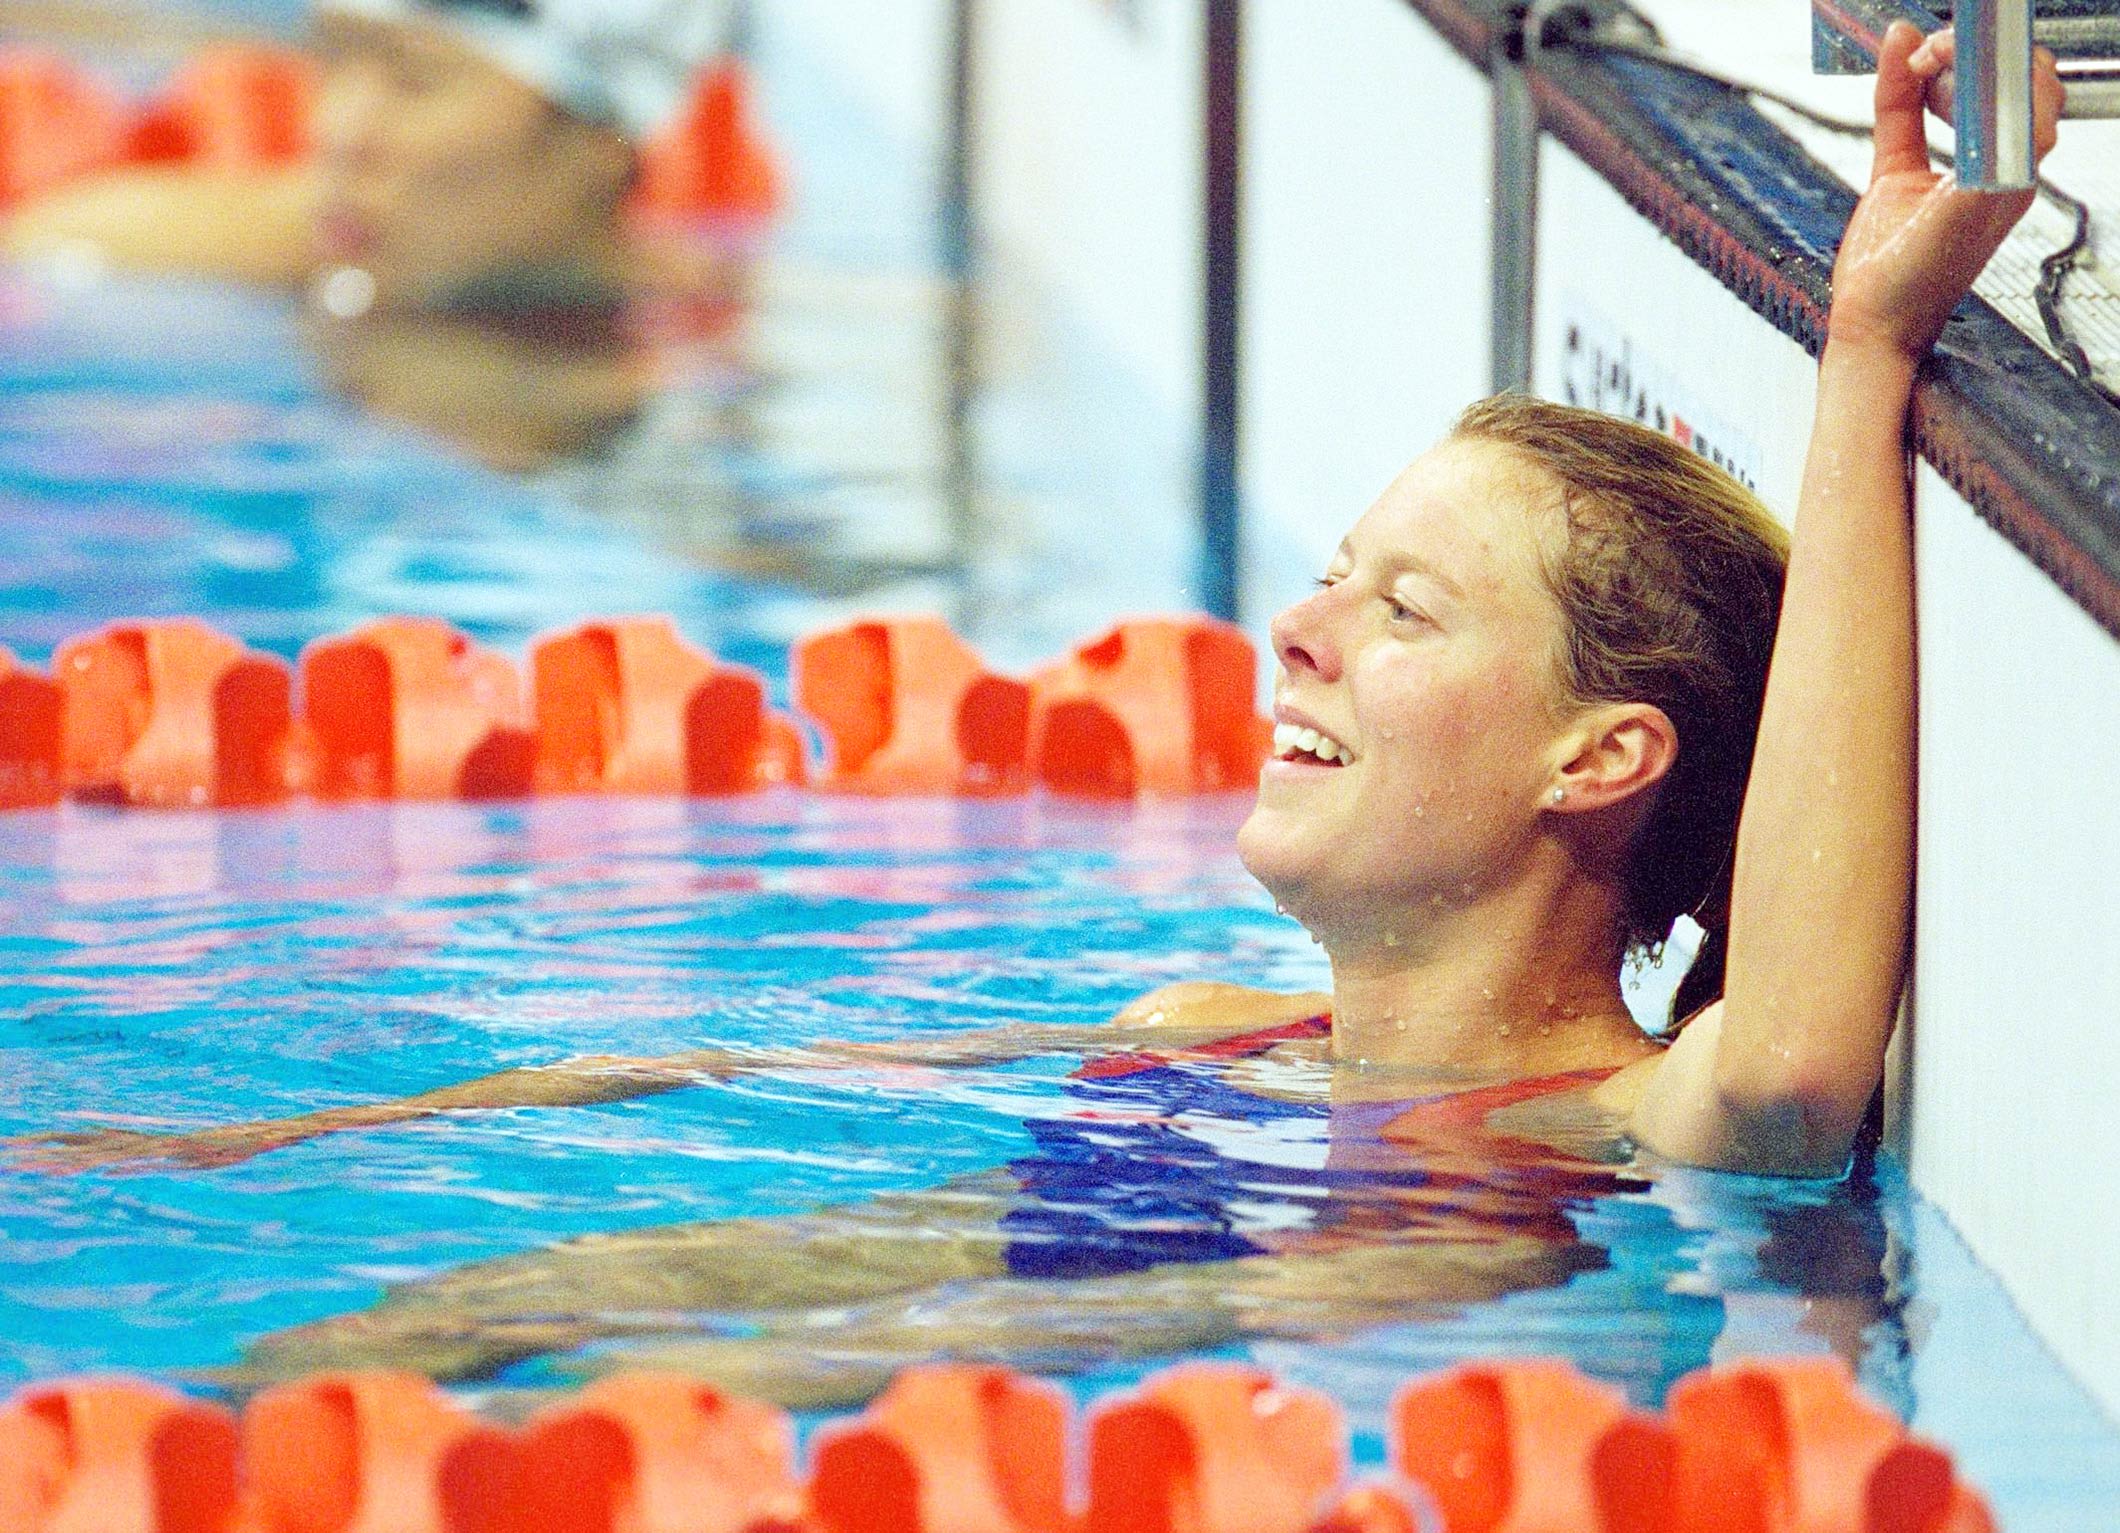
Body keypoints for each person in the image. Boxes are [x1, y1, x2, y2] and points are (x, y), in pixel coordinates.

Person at [17, 25, 2062, 1403]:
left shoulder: (1616, 1121)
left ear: (1598, 760)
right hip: (1014, 1332)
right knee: (527, 1305)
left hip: (1194, 1397)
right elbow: (717, 1090)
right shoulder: (1202, 1027)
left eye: (1404, 607)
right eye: (1335, 572)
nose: (1298, 631)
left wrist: (1866, 350)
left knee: (699, 1378)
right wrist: (261, 1139)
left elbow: (1795, 1049)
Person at [4, 0, 743, 470]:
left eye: (415, 81)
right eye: (333, 60)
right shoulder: (127, 243)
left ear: (600, 140)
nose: (339, 129)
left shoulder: (714, 338)